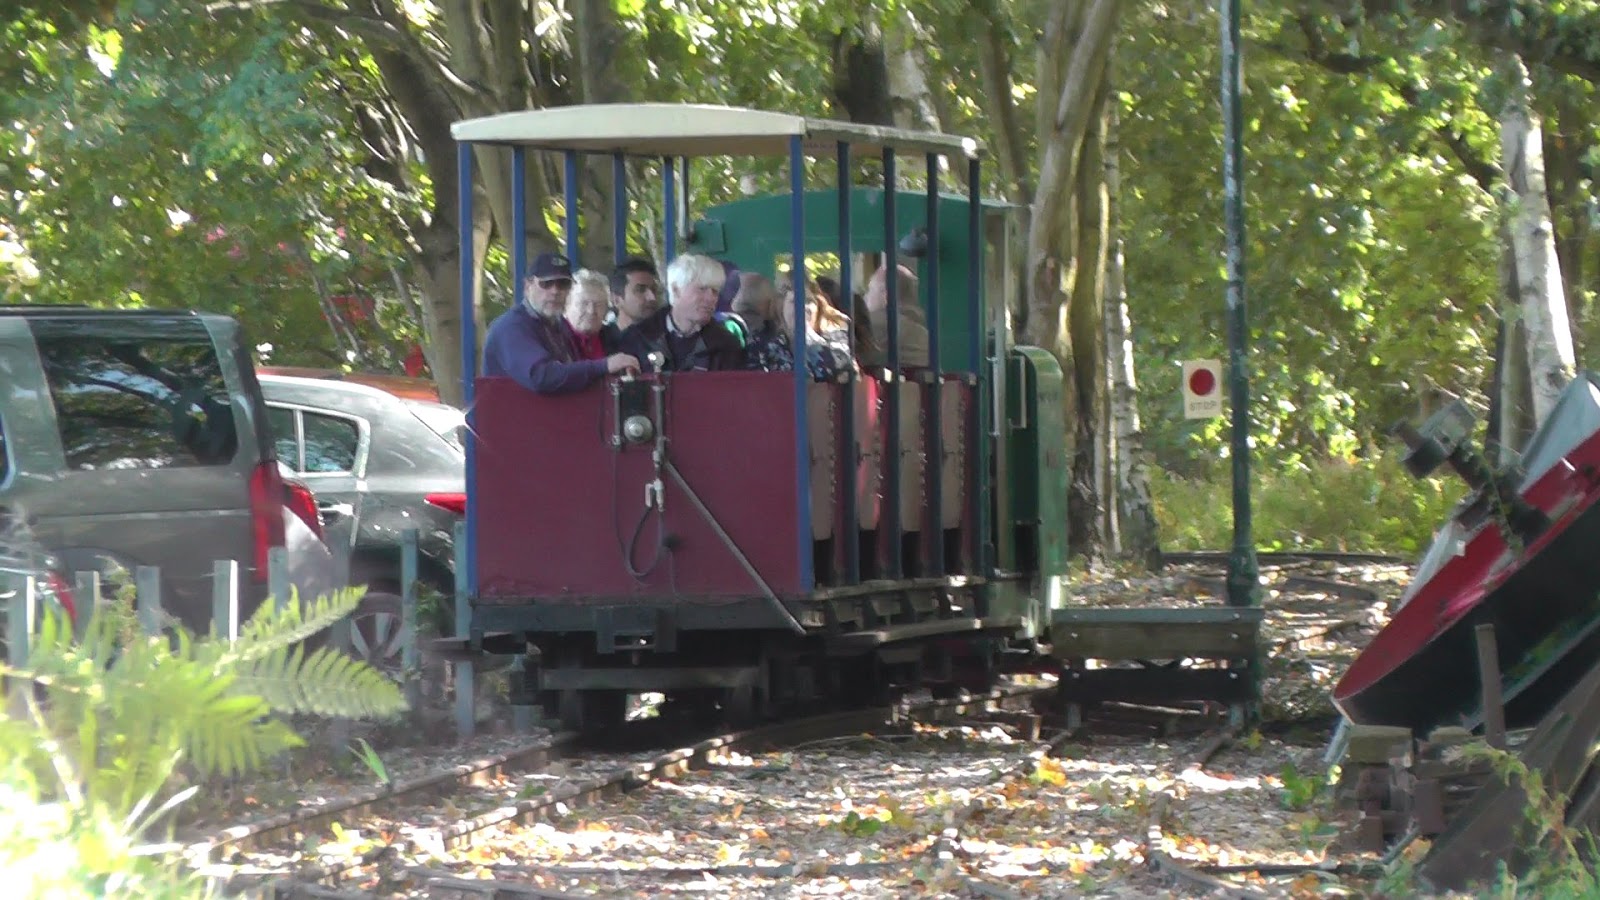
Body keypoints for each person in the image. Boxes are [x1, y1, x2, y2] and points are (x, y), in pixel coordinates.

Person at [482, 251, 638, 394]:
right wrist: (605, 365)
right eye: (546, 284)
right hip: (510, 422)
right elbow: (541, 377)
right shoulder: (511, 327)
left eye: (563, 284)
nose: (555, 291)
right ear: (528, 286)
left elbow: (572, 377)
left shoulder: (555, 326)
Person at [618, 253, 746, 373]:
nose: (711, 298)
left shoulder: (727, 345)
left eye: (715, 291)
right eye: (702, 289)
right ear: (676, 290)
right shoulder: (636, 339)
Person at [859, 263, 930, 370]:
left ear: (886, 295)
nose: (865, 296)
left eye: (870, 290)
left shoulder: (872, 325)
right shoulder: (924, 333)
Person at [602, 256, 661, 351]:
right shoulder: (601, 343)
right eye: (641, 290)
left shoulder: (665, 340)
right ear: (616, 299)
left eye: (654, 290)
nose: (652, 297)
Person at [564, 269, 609, 361]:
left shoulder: (613, 338)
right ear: (565, 306)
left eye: (598, 304)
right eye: (583, 303)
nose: (591, 311)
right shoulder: (554, 340)